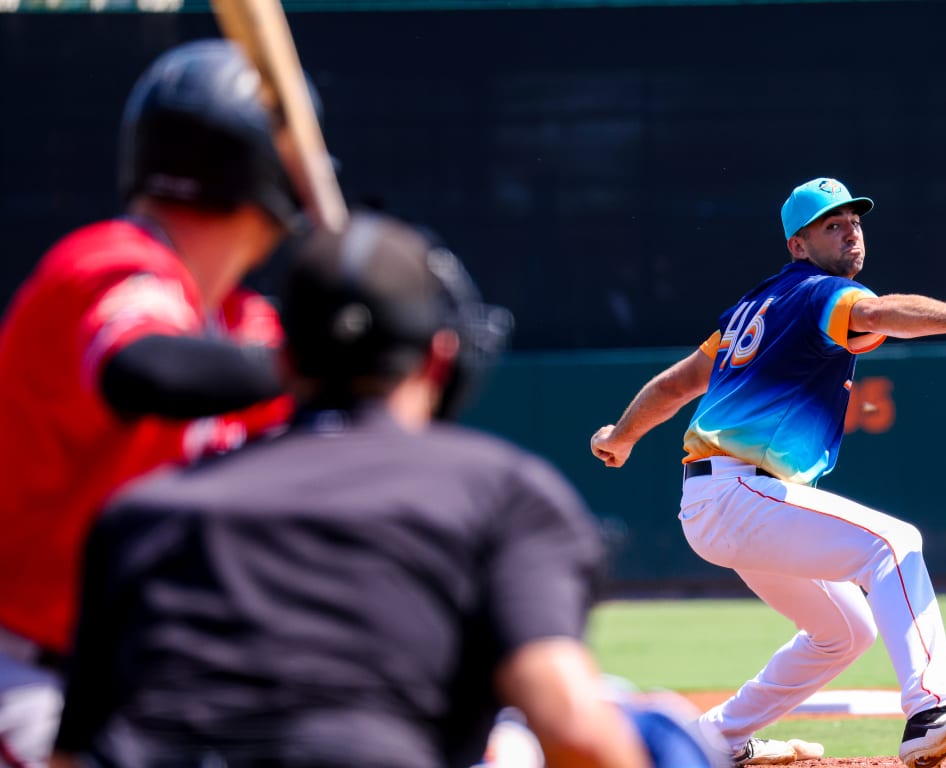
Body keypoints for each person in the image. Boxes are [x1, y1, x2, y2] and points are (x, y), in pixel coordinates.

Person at [50, 212, 658, 768]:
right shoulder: (499, 492)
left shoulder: (142, 514)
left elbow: (73, 757)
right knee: (654, 734)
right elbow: (576, 732)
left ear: (282, 359)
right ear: (439, 360)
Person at [590, 178, 946, 768]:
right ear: (798, 246)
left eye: (854, 221)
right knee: (895, 544)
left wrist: (620, 437)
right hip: (740, 493)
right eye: (831, 225)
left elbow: (678, 384)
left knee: (845, 632)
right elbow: (880, 312)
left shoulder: (752, 310)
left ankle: (714, 739)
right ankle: (931, 712)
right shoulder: (819, 292)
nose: (849, 230)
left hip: (729, 502)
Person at [0, 39, 302, 767]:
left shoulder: (240, 322)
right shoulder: (111, 260)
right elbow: (143, 369)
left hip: (154, 675)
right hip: (27, 669)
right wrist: (325, 358)